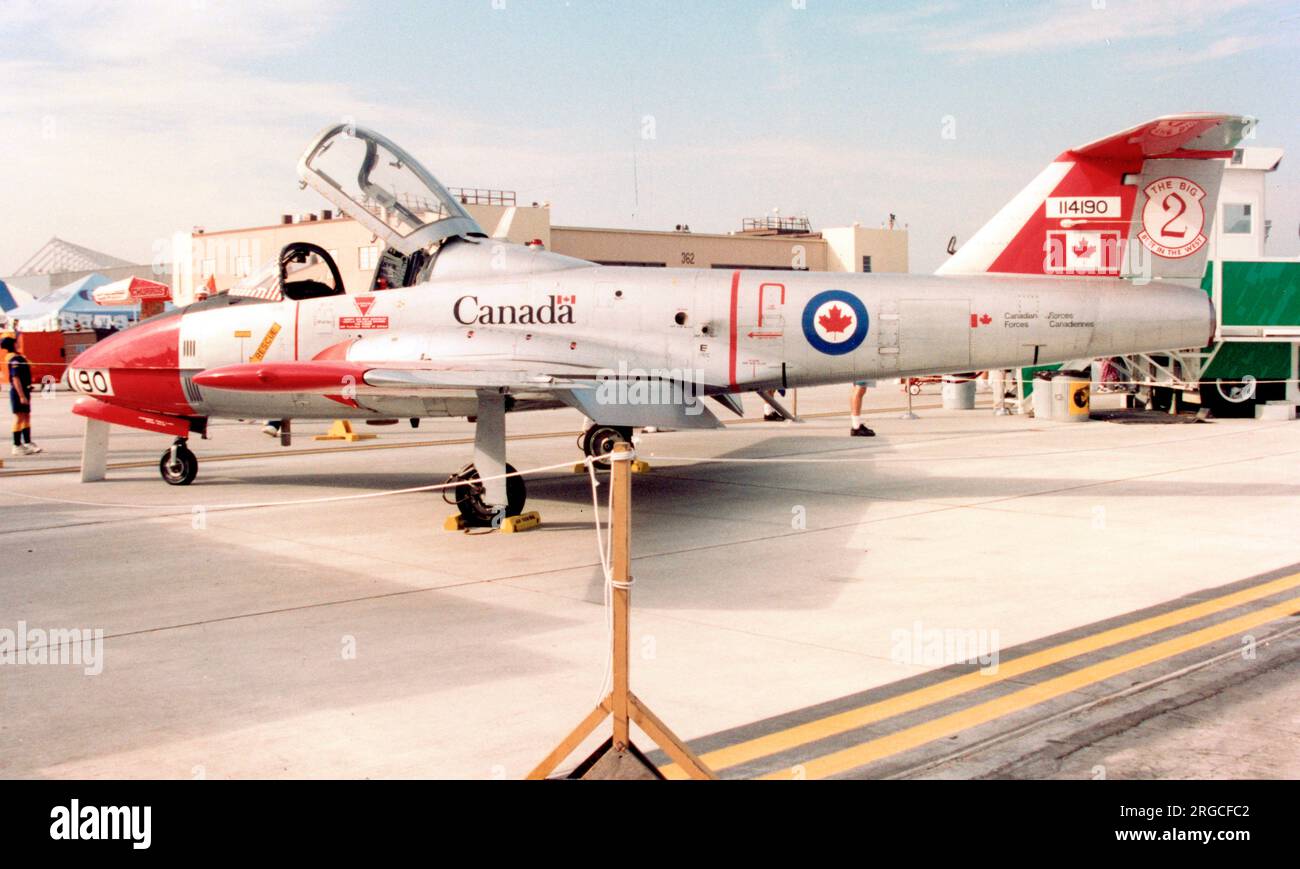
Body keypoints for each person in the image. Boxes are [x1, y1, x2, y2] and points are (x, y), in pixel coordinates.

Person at [3, 336, 41, 455]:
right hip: (18, 391)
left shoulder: (18, 357)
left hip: (25, 390)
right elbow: (15, 378)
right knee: (19, 417)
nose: (18, 343)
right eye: (16, 342)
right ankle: (16, 445)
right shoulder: (14, 359)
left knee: (26, 416)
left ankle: (27, 442)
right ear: (12, 344)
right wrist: (21, 396)